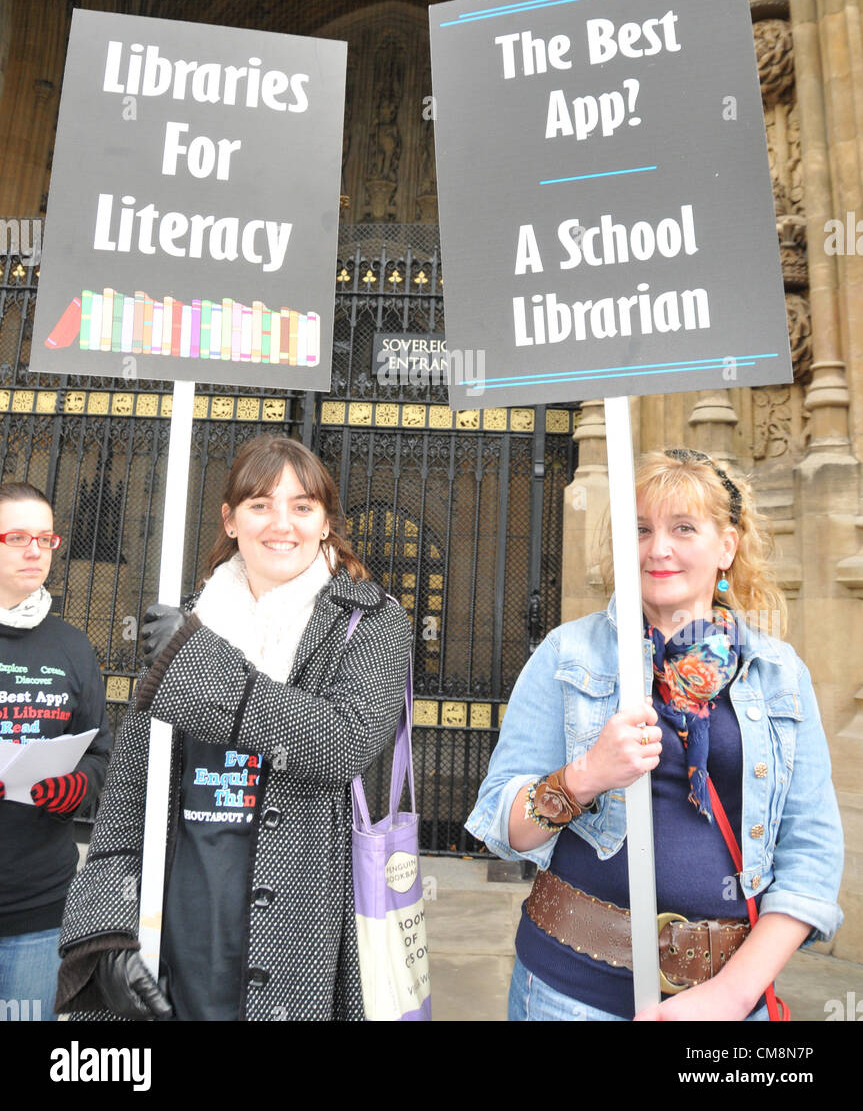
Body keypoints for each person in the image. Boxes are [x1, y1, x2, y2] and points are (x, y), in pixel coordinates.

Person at [466, 448, 844, 1021]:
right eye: (640, 529)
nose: (657, 548)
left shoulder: (777, 671)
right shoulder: (569, 654)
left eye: (683, 528)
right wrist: (585, 777)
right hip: (570, 993)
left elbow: (811, 853)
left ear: (727, 545)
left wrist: (733, 994)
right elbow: (505, 825)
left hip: (726, 1004)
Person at [55, 434, 412, 1021]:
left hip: (302, 931)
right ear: (230, 519)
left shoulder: (370, 621)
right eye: (260, 504)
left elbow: (343, 743)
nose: (282, 523)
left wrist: (196, 661)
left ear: (326, 523)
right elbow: (129, 798)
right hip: (182, 924)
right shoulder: (191, 618)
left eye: (303, 506)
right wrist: (108, 935)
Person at [0, 481, 112, 1021]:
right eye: (17, 536)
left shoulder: (71, 645)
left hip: (39, 908)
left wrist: (77, 786)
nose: (33, 552)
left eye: (45, 539)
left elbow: (100, 750)